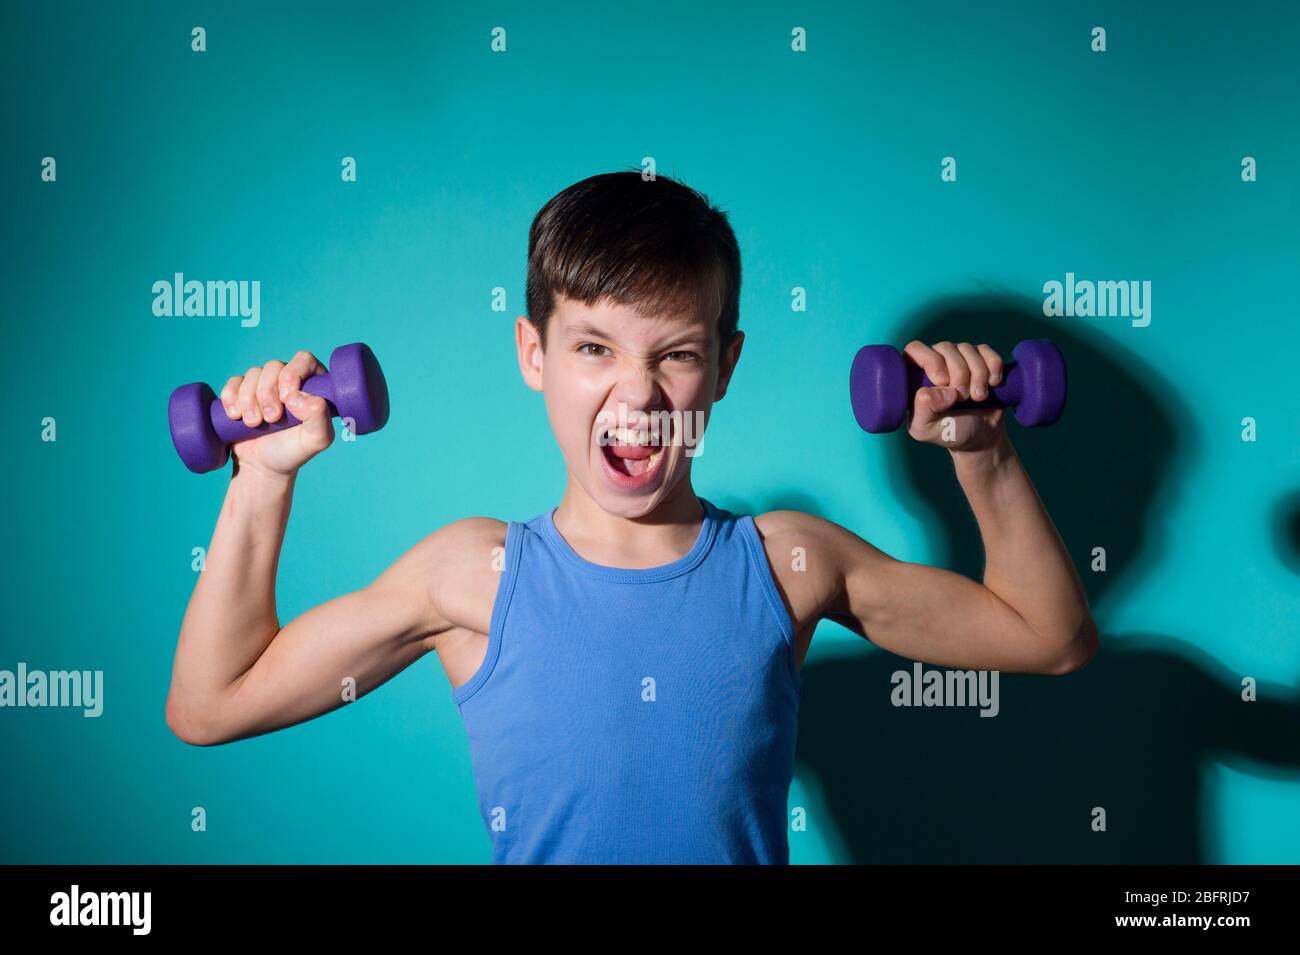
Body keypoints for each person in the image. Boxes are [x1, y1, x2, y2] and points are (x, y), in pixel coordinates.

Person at [165, 170, 1098, 864]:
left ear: (726, 366)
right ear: (533, 352)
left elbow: (1050, 637)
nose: (637, 393)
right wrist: (259, 476)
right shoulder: (472, 575)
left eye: (677, 353)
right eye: (594, 346)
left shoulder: (789, 562)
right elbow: (210, 706)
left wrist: (984, 453)